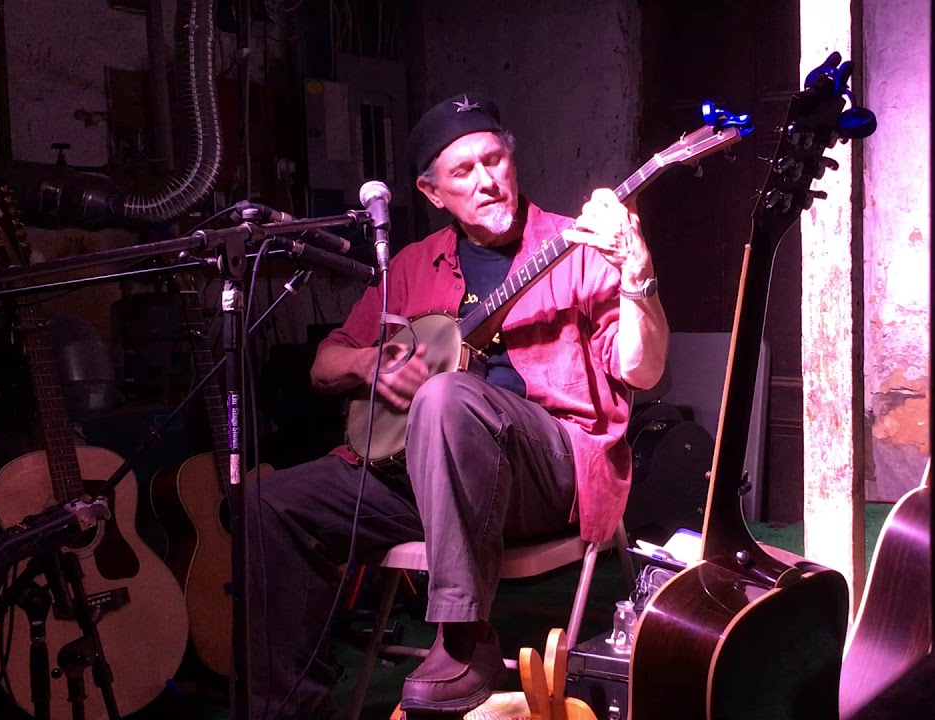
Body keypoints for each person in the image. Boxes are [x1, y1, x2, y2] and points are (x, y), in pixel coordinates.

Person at [246, 91, 669, 719]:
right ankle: (288, 710)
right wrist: (370, 363)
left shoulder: (577, 246)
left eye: (494, 160)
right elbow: (323, 363)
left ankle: (463, 640)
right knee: (271, 504)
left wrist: (636, 275)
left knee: (446, 397)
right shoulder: (414, 266)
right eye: (463, 172)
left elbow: (644, 368)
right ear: (432, 193)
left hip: (545, 473)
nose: (487, 182)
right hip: (424, 481)